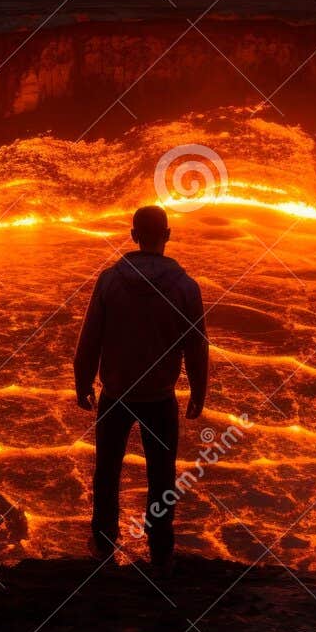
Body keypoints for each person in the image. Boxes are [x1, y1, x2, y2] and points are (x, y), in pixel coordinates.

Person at [73, 205, 208, 575]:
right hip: (160, 396)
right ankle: (161, 550)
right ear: (168, 234)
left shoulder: (110, 280)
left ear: (133, 235)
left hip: (115, 394)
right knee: (162, 475)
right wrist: (198, 389)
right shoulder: (185, 287)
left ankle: (104, 543)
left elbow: (91, 337)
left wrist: (82, 379)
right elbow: (196, 344)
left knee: (107, 472)